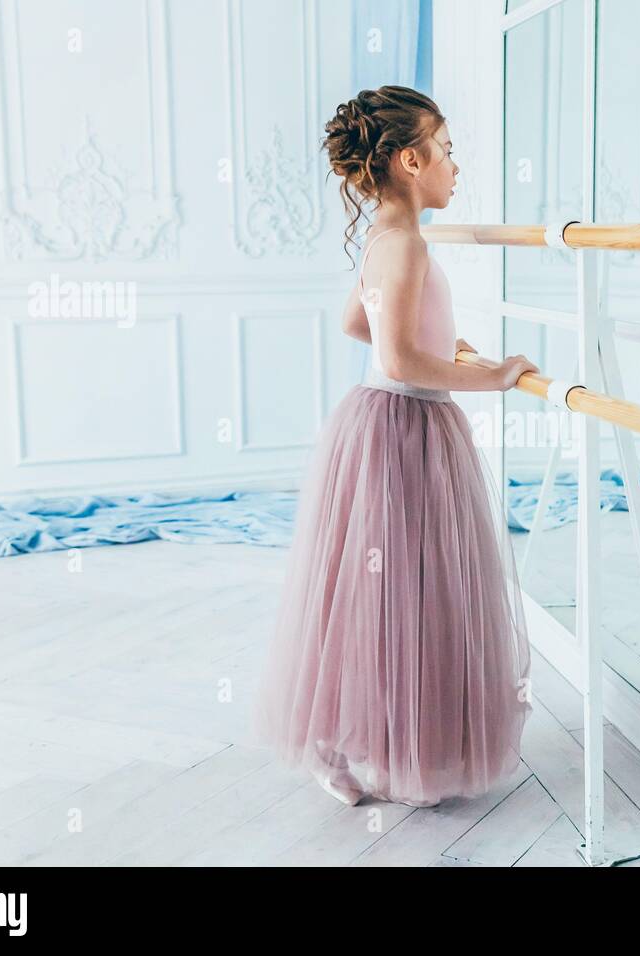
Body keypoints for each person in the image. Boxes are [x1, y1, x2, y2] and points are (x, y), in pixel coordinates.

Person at [253, 86, 537, 807]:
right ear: (412, 160)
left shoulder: (384, 235)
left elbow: (360, 325)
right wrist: (497, 376)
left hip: (374, 422)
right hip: (407, 424)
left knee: (374, 590)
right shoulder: (407, 243)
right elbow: (404, 360)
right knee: (409, 588)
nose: (456, 167)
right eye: (448, 151)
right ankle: (389, 748)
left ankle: (348, 747)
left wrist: (441, 345)